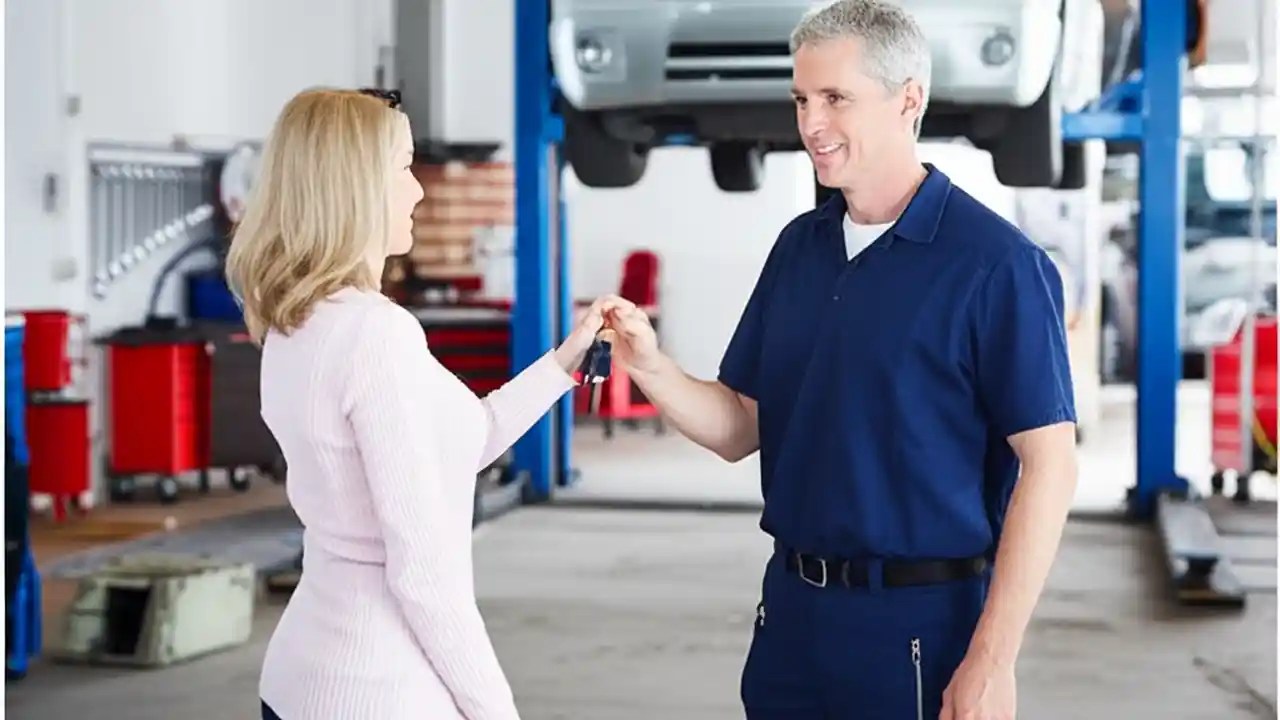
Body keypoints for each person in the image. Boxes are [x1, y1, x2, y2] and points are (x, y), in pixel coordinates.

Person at [599, 2, 1079, 718]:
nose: (810, 124)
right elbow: (738, 427)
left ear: (907, 99)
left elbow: (1051, 464)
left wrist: (993, 657)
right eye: (801, 98)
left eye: (835, 99)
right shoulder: (800, 249)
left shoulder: (996, 267)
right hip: (791, 620)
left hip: (921, 630)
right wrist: (650, 364)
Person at [225, 87, 610, 720]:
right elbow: (424, 574)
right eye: (403, 167)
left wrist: (565, 363)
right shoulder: (377, 334)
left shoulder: (297, 323)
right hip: (377, 690)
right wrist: (496, 710)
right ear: (354, 187)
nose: (419, 190)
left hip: (303, 678)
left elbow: (465, 442)